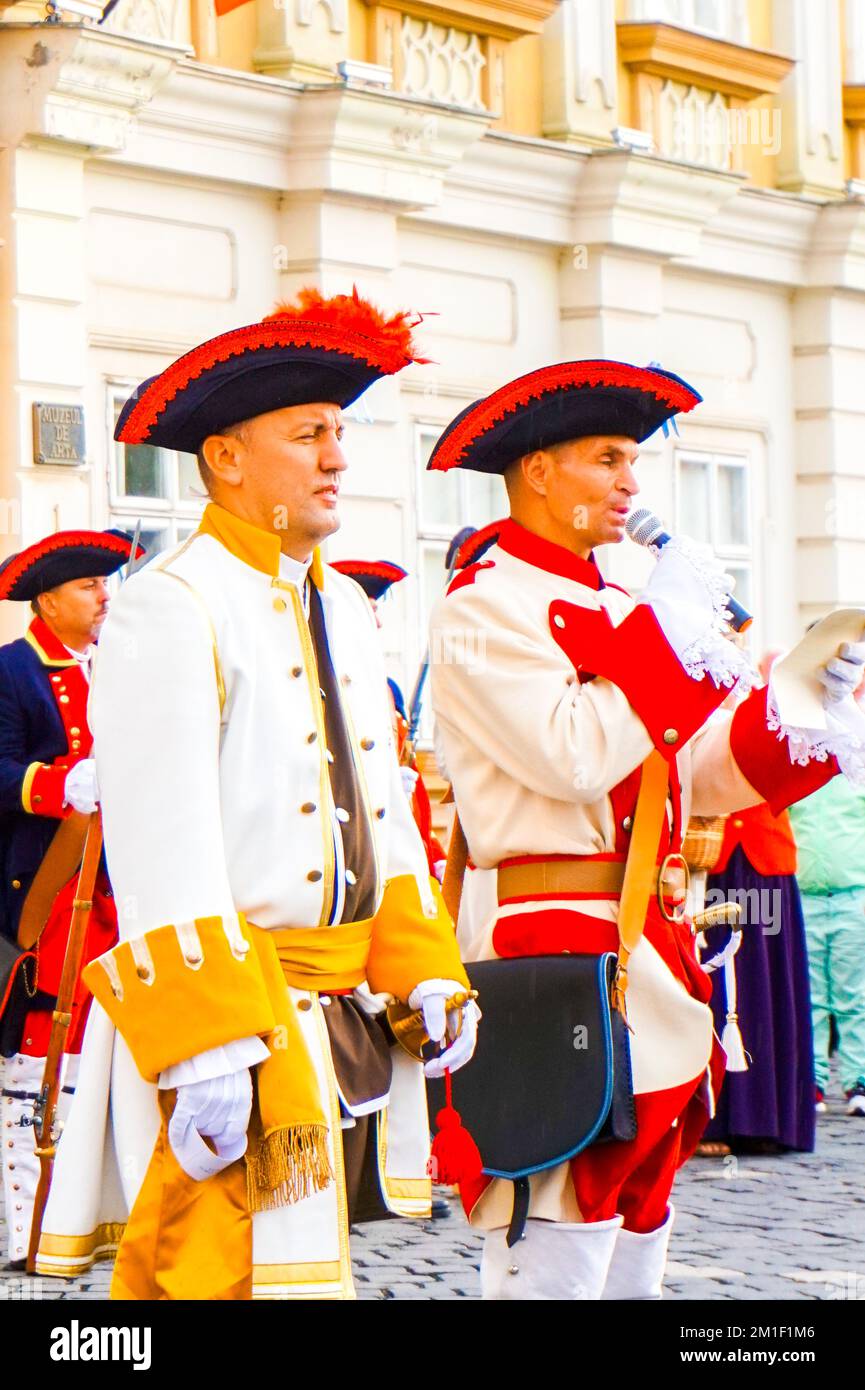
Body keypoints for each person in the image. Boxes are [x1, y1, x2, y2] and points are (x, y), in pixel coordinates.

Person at [35, 288, 479, 1301]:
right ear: (227, 457)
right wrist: (205, 1047)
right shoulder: (169, 603)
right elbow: (165, 840)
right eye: (308, 433)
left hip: (331, 1010)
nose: (336, 458)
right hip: (227, 1016)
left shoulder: (341, 606)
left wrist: (424, 969)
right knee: (212, 1277)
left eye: (340, 433)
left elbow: (388, 813)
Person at [427, 359, 864, 1300]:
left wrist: (795, 711)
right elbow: (572, 757)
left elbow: (692, 779)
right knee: (555, 1217)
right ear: (538, 472)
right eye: (608, 459)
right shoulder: (483, 605)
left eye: (632, 461)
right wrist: (668, 643)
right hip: (549, 941)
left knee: (638, 1221)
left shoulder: (621, 608)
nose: (631, 483)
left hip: (649, 949)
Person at [0, 531, 135, 1266]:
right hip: (45, 897)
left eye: (105, 584)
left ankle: (94, 1210)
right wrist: (56, 786)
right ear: (49, 600)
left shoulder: (112, 671)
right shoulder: (12, 671)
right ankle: (29, 1222)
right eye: (89, 586)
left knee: (106, 1055)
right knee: (36, 1061)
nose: (104, 596)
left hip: (115, 893)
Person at [702, 800, 815, 1152]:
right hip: (707, 853)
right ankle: (711, 1121)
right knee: (713, 981)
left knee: (766, 988)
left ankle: (768, 1121)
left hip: (763, 853)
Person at [331, 558, 447, 881]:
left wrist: (429, 852)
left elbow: (413, 784)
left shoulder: (386, 687)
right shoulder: (327, 682)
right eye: (369, 609)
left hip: (400, 839)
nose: (378, 623)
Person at [789, 739, 865, 1118]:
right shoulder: (800, 775)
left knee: (855, 996)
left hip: (854, 894)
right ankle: (813, 1080)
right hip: (805, 897)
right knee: (811, 994)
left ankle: (857, 1079)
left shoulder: (858, 773)